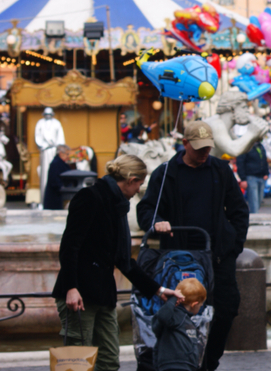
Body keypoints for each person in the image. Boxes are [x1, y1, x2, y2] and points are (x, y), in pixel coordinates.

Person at [53, 154, 183, 371]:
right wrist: (71, 287)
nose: (138, 192)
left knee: (109, 361)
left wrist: (158, 289)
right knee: (77, 364)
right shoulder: (90, 197)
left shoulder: (118, 204)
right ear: (131, 180)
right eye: (139, 185)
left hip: (103, 294)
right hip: (80, 294)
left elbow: (124, 261)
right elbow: (69, 247)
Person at [137, 121, 249, 371]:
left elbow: (239, 210)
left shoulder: (220, 169)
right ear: (185, 143)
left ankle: (208, 364)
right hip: (180, 259)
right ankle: (181, 363)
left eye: (208, 147)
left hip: (219, 257)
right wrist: (156, 223)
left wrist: (234, 245)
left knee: (226, 309)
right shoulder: (166, 172)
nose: (204, 152)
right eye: (198, 148)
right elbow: (145, 209)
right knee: (180, 313)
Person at [153, 278, 207, 371]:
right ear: (194, 304)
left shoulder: (186, 320)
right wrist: (172, 299)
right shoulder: (174, 316)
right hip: (175, 365)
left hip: (185, 366)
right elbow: (162, 317)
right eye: (200, 305)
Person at [35, 106, 65, 208]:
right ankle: (43, 201)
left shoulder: (57, 123)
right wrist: (43, 145)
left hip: (54, 150)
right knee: (44, 174)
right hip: (45, 150)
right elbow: (37, 136)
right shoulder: (40, 123)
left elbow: (60, 137)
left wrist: (58, 148)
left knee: (55, 172)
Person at [236, 141, 269, 214]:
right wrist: (243, 179)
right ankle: (254, 215)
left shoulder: (260, 146)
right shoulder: (246, 147)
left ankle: (255, 214)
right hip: (251, 176)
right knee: (253, 200)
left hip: (261, 177)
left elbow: (264, 160)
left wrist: (266, 173)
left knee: (260, 199)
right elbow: (240, 163)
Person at [43, 144, 74, 210]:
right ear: (61, 153)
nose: (68, 156)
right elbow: (54, 181)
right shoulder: (56, 163)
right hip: (54, 198)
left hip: (58, 196)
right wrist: (63, 188)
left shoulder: (61, 163)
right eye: (67, 154)